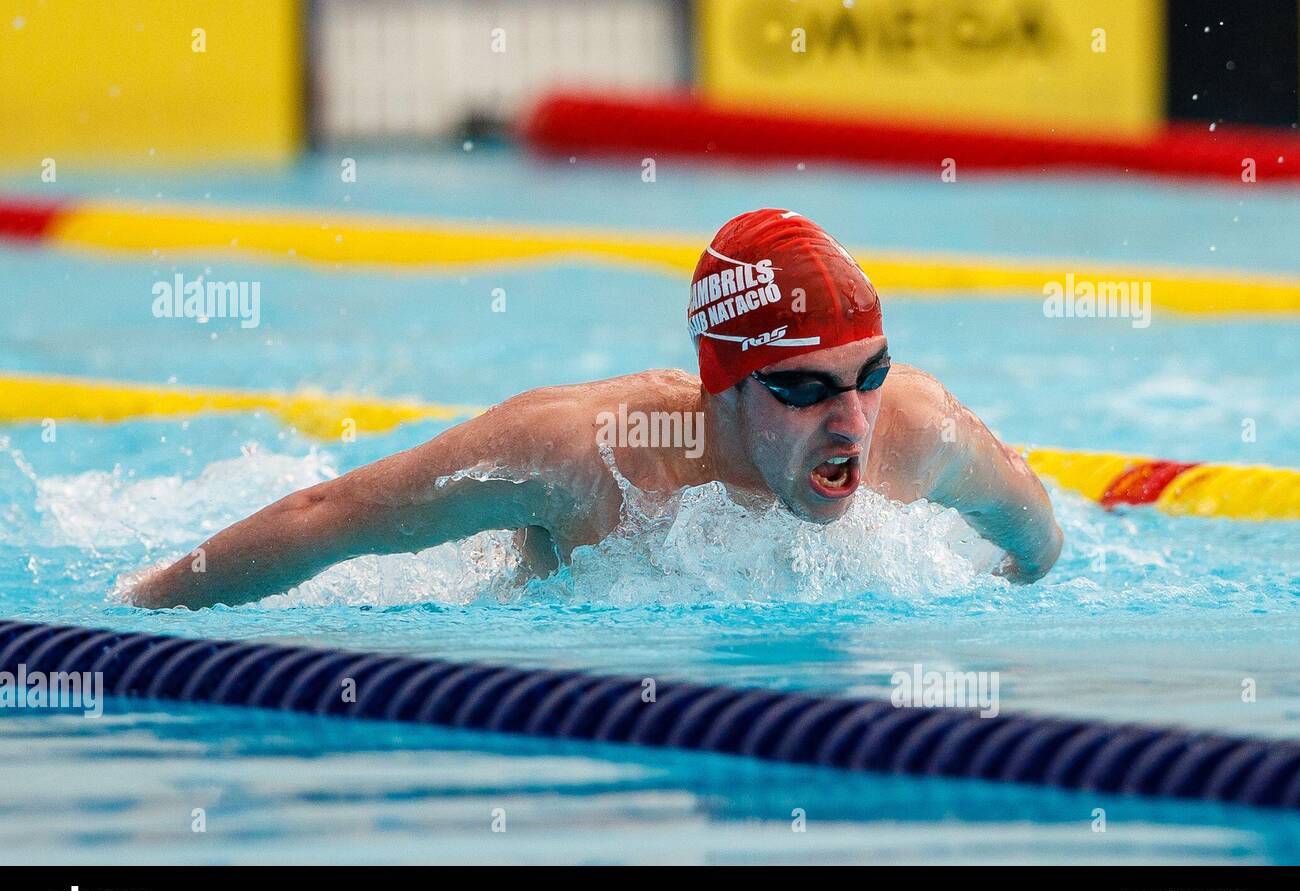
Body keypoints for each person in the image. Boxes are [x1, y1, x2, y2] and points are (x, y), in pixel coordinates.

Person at [129, 208, 1062, 609]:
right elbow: (327, 520)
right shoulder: (586, 458)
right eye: (804, 386)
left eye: (868, 374)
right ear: (722, 387)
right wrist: (132, 618)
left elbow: (1037, 540)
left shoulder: (918, 429)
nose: (852, 420)